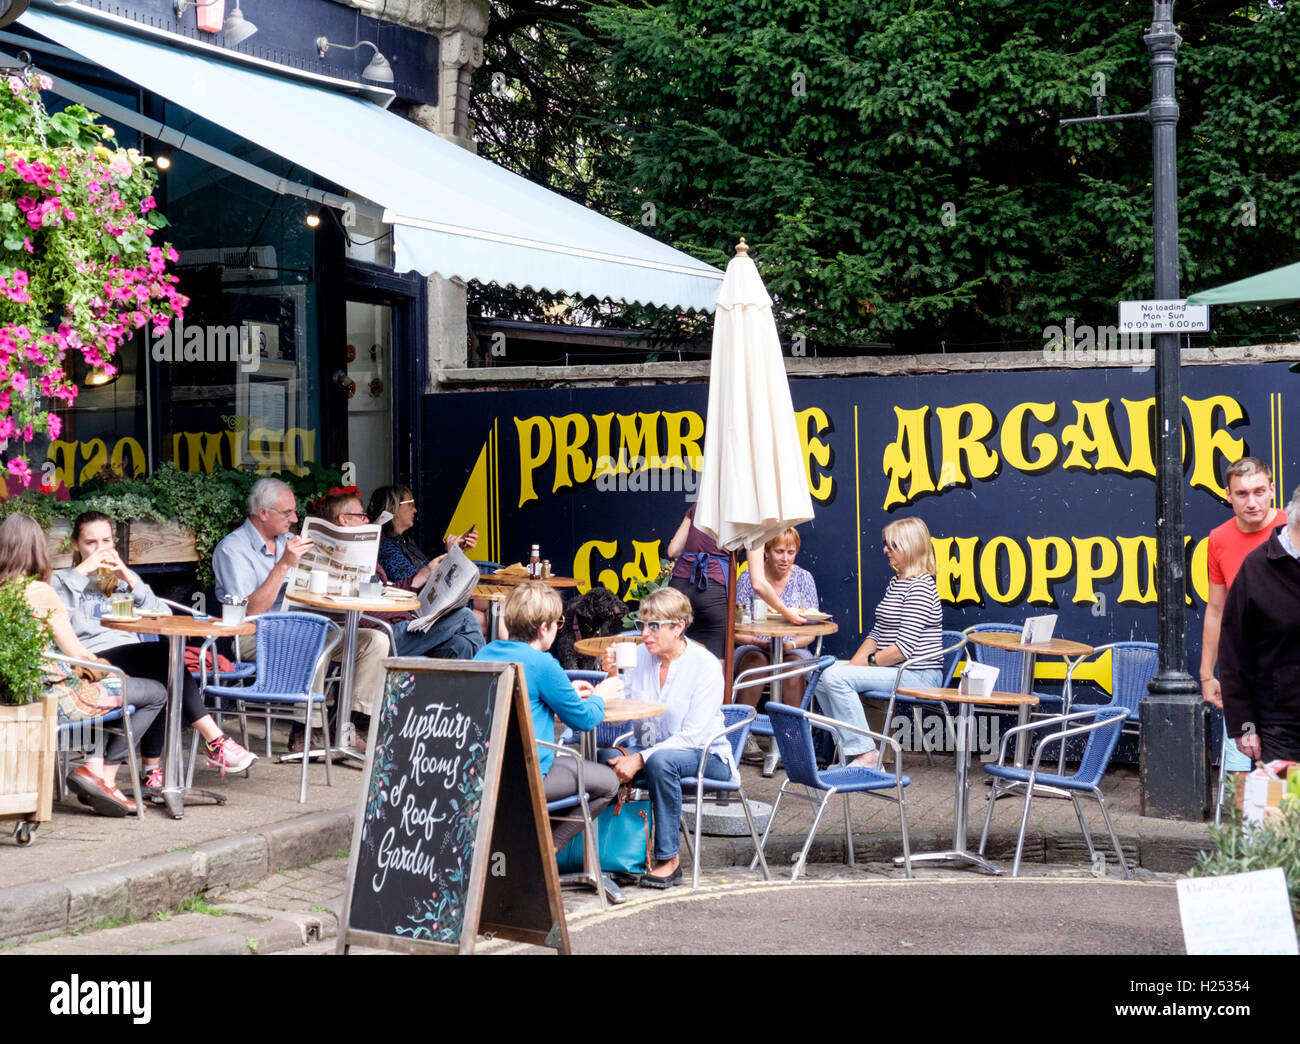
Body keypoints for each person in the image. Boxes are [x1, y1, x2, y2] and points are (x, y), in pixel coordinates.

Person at [51, 511, 255, 785]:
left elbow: (159, 613)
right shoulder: (61, 580)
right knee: (163, 657)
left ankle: (152, 772)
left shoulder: (120, 581)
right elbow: (56, 618)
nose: (101, 550)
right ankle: (215, 741)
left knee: (165, 670)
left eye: (107, 541)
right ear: (76, 544)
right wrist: (82, 572)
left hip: (132, 656)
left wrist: (128, 575)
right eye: (92, 543)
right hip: (93, 662)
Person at [0, 514, 165, 817]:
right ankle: (103, 775)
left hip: (14, 694)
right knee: (155, 693)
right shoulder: (43, 592)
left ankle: (96, 769)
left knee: (120, 683)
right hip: (57, 699)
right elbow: (76, 652)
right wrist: (109, 671)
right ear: (38, 549)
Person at [213, 477, 386, 757]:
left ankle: (350, 726)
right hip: (254, 636)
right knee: (315, 642)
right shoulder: (233, 549)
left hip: (301, 626)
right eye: (287, 513)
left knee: (373, 641)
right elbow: (250, 613)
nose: (294, 519)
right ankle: (306, 731)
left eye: (294, 511)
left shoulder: (287, 542)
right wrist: (284, 565)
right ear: (263, 513)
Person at [313, 491, 485, 748]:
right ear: (344, 520)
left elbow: (391, 586)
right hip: (382, 630)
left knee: (460, 646)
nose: (366, 519)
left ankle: (444, 723)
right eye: (361, 515)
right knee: (465, 617)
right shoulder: (378, 548)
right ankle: (486, 706)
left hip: (402, 620)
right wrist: (423, 576)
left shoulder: (388, 547)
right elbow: (371, 600)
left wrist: (429, 573)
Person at [599, 586, 734, 888]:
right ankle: (611, 853)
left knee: (661, 762)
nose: (646, 633)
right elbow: (624, 706)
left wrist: (640, 758)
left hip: (706, 754)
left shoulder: (706, 665)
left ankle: (668, 859)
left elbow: (693, 735)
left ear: (678, 627)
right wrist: (611, 674)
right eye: (642, 625)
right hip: (648, 748)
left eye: (654, 626)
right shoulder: (638, 656)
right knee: (600, 759)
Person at [474, 582, 622, 850]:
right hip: (529, 775)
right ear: (544, 628)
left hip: (484, 772)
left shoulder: (485, 652)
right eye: (558, 622)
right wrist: (603, 694)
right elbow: (585, 720)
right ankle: (545, 852)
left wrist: (562, 693)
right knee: (609, 783)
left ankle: (533, 847)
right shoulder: (543, 664)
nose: (558, 627)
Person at [813, 517, 943, 768]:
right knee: (818, 673)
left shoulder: (921, 588)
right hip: (894, 668)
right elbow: (876, 634)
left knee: (835, 678)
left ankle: (866, 755)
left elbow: (902, 650)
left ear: (911, 547)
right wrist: (853, 666)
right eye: (886, 544)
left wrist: (862, 668)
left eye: (892, 545)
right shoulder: (897, 582)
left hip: (918, 674)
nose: (885, 550)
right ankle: (850, 752)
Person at [1198, 457, 1288, 778]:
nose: (1252, 502)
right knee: (1253, 755)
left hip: (1289, 666)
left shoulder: (1293, 529)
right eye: (1242, 494)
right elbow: (1216, 610)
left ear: (1272, 490)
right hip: (1250, 674)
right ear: (1228, 495)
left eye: (1259, 491)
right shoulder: (1219, 539)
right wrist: (1207, 675)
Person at [1219, 484, 1300, 763]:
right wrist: (1245, 726)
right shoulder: (1257, 567)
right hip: (1281, 725)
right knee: (1279, 808)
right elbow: (1233, 652)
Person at [733, 526, 820, 713]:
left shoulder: (804, 578)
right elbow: (736, 629)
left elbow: (812, 631)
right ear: (766, 550)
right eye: (779, 552)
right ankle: (742, 734)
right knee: (755, 662)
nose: (785, 559)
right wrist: (758, 642)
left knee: (792, 671)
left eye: (791, 552)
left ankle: (791, 737)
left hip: (794, 648)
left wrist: (791, 645)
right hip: (753, 646)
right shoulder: (748, 578)